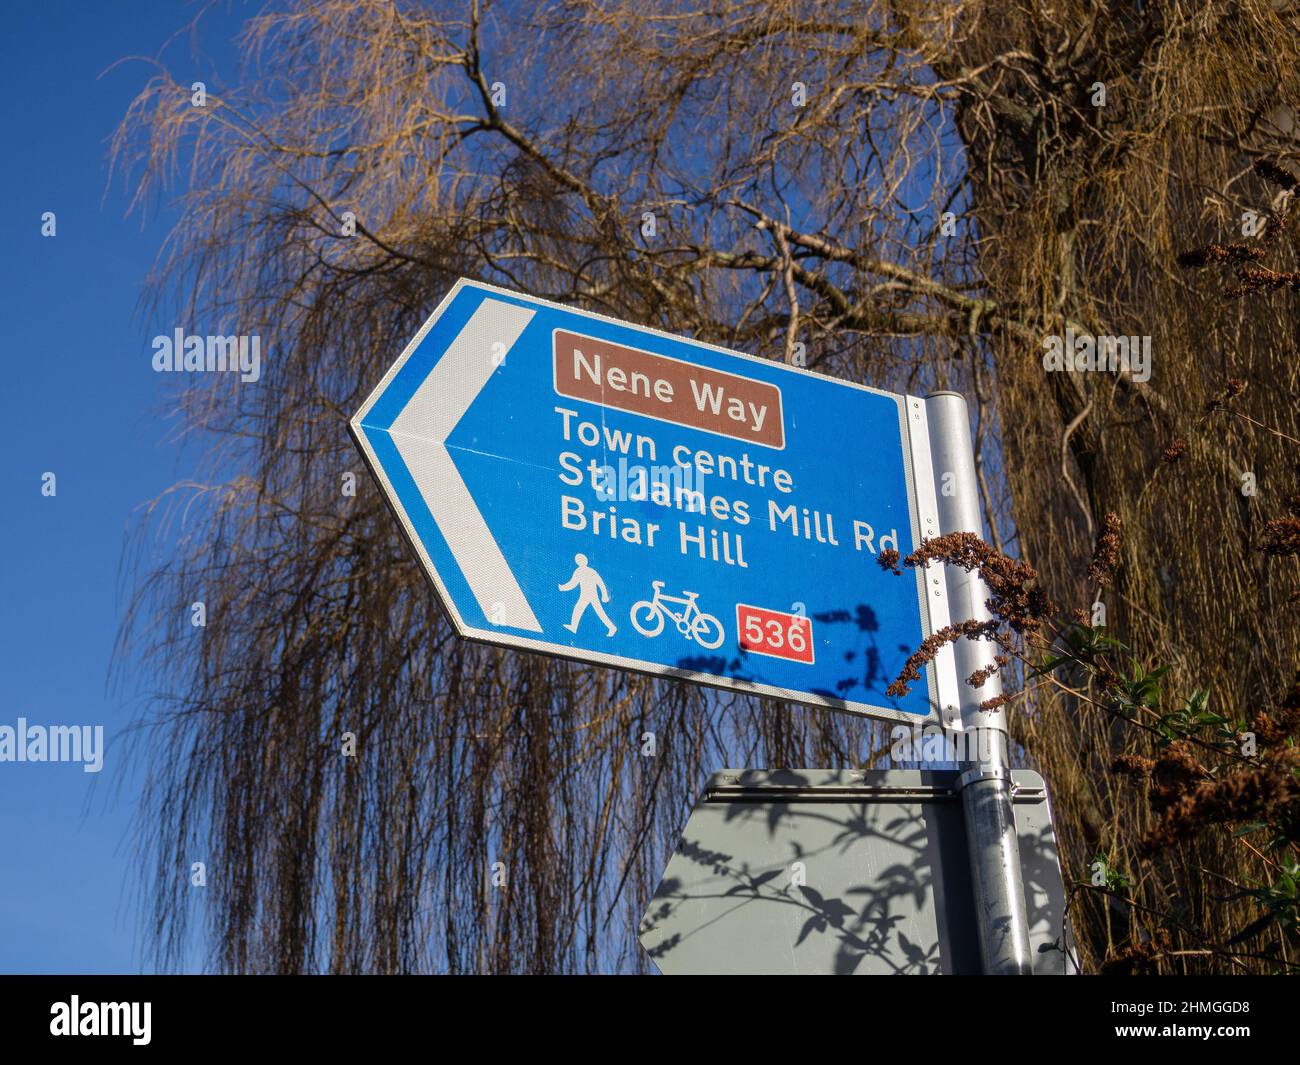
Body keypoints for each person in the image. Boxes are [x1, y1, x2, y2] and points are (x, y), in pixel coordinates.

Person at [558, 553, 617, 636]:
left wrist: (562, 587)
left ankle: (612, 628)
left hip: (590, 595)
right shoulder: (588, 571)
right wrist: (604, 595)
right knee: (581, 609)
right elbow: (574, 583)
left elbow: (599, 583)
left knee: (598, 612)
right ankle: (574, 627)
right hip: (587, 595)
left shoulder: (582, 571)